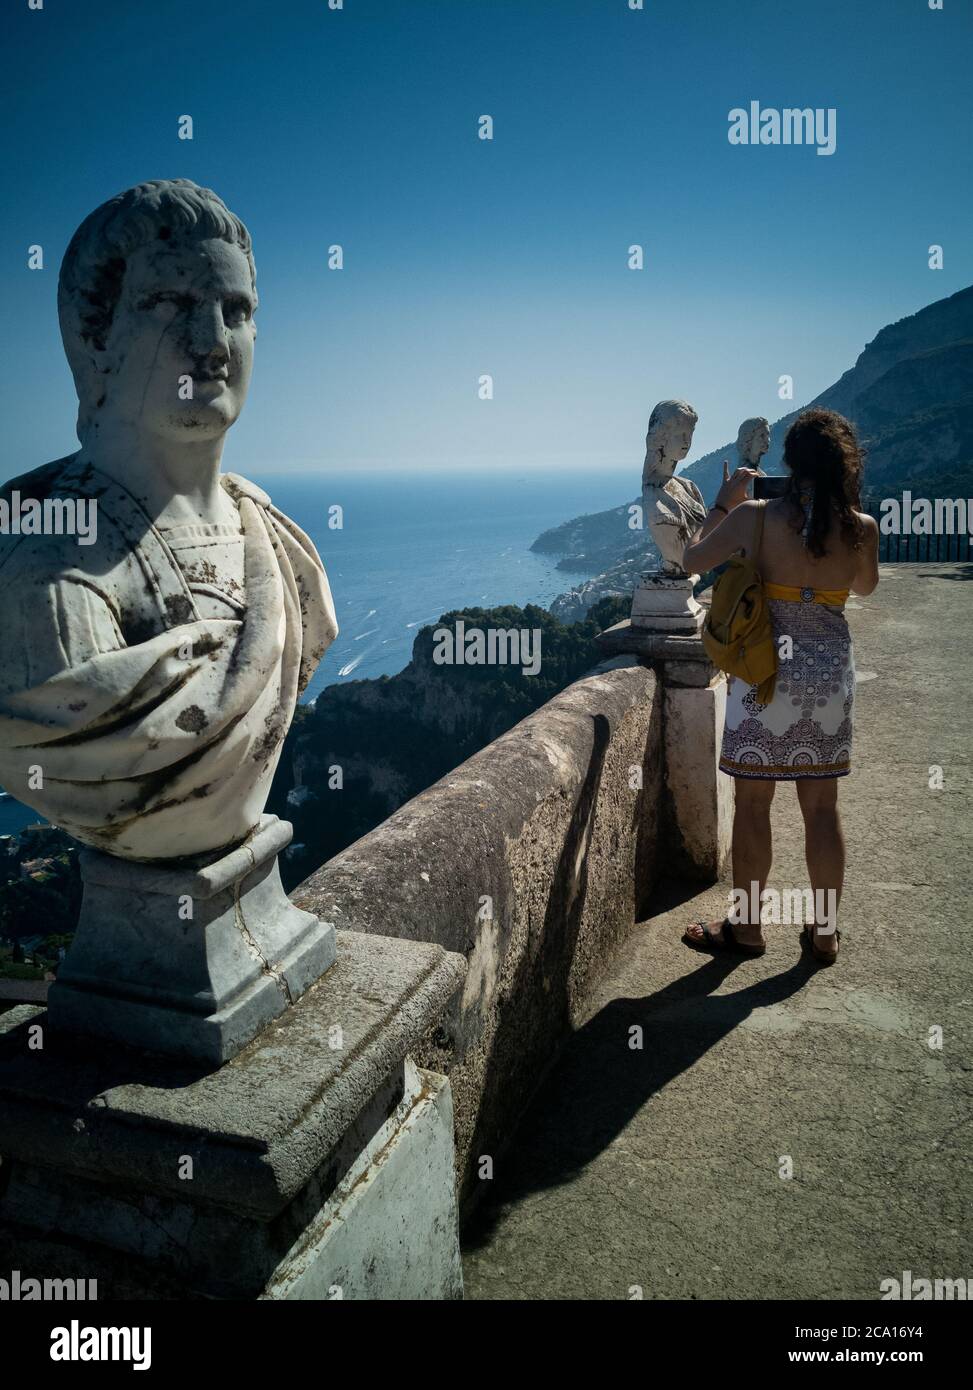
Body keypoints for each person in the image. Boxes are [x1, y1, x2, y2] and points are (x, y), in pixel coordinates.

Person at [680, 408, 879, 964]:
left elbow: (692, 560)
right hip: (829, 679)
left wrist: (725, 504)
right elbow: (864, 588)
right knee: (821, 806)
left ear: (790, 465)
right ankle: (824, 935)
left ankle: (746, 932)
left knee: (752, 802)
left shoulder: (756, 518)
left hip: (764, 676)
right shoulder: (860, 529)